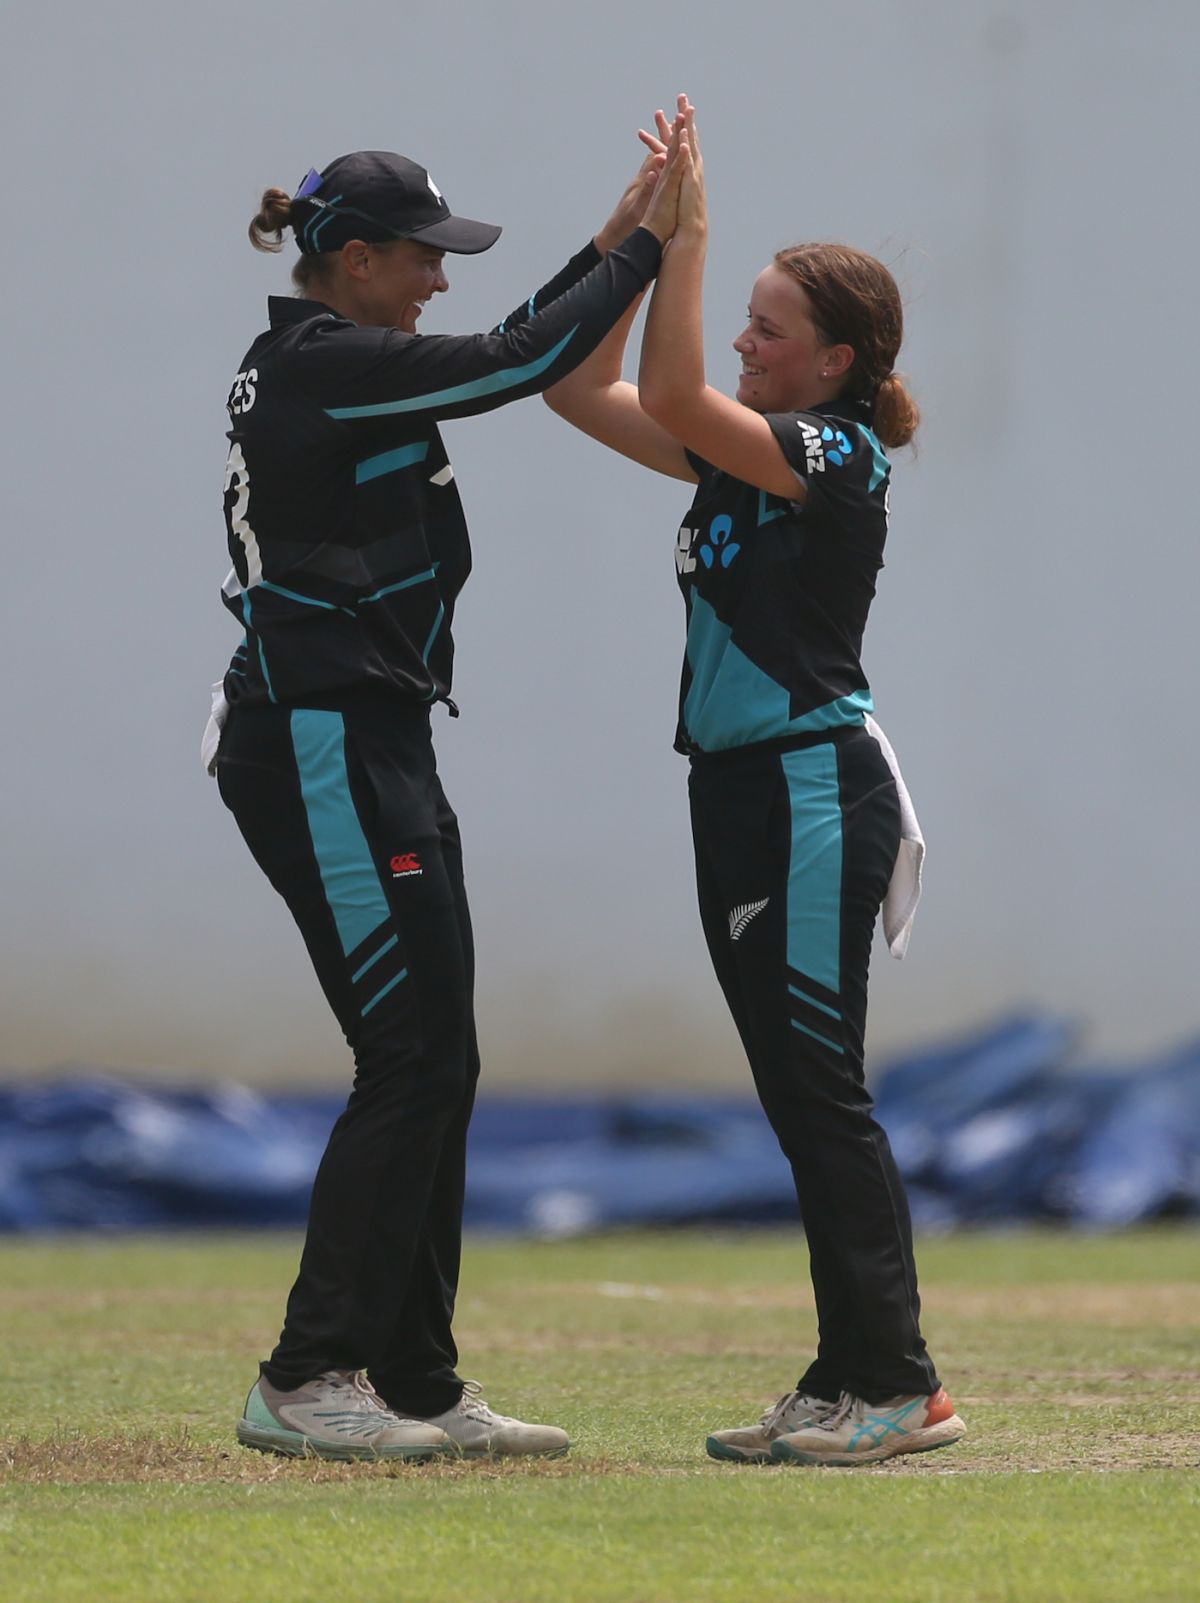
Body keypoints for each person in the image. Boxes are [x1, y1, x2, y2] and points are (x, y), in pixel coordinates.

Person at [207, 140, 685, 1461]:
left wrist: (616, 238)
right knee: (409, 1057)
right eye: (422, 258)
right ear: (355, 259)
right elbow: (519, 360)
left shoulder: (339, 357)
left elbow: (509, 340)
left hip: (375, 742)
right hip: (321, 745)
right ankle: (307, 1377)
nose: (436, 280)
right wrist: (656, 248)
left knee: (440, 1060)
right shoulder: (322, 365)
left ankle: (416, 1382)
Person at [545, 100, 965, 1467]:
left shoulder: (838, 451)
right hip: (735, 794)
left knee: (820, 1091)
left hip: (811, 788)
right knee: (796, 1095)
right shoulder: (738, 452)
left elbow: (671, 395)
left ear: (836, 361)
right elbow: (577, 388)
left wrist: (694, 236)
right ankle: (848, 1375)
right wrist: (628, 236)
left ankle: (897, 1386)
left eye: (768, 328)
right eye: (744, 318)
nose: (742, 340)